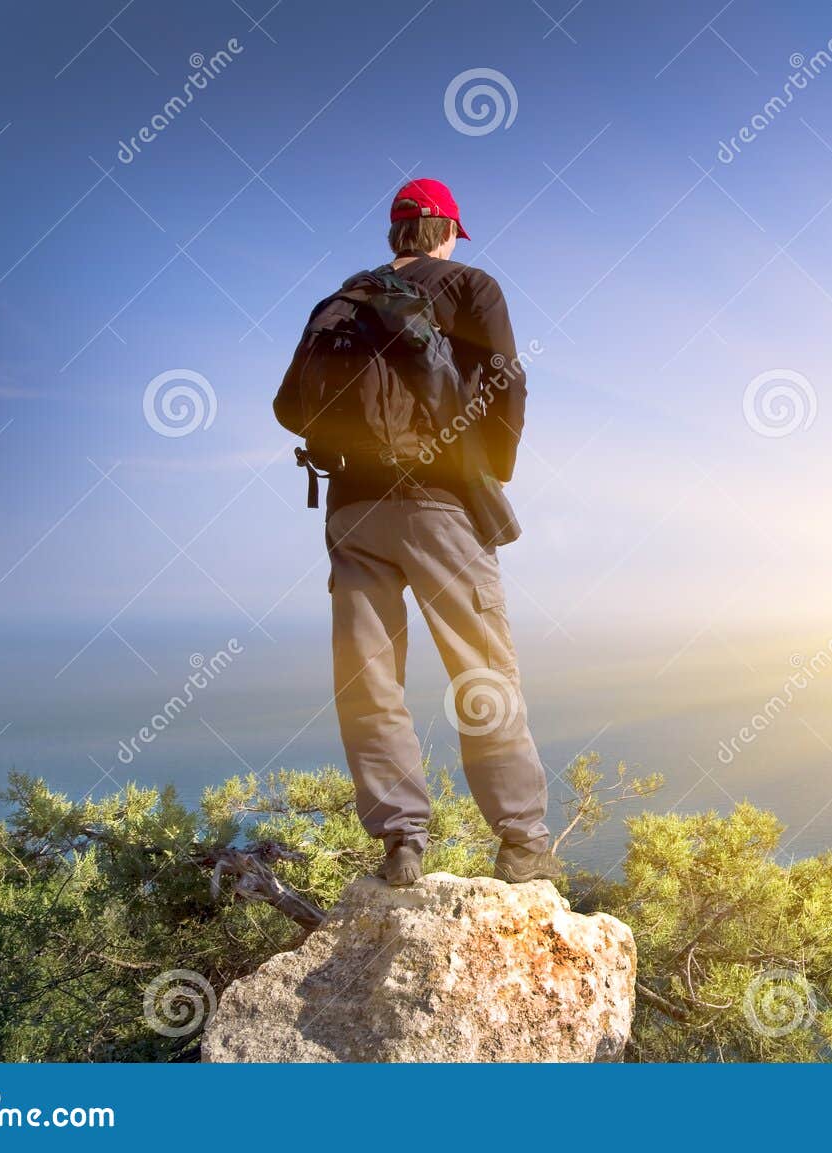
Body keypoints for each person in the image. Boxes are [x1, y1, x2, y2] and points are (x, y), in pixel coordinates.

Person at [273, 177, 557, 886]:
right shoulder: (471, 286)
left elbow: (286, 405)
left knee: (368, 677)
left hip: (352, 512)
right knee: (481, 669)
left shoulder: (340, 300)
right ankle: (522, 842)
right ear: (447, 230)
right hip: (442, 506)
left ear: (396, 230)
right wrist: (486, 468)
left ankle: (401, 840)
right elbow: (505, 382)